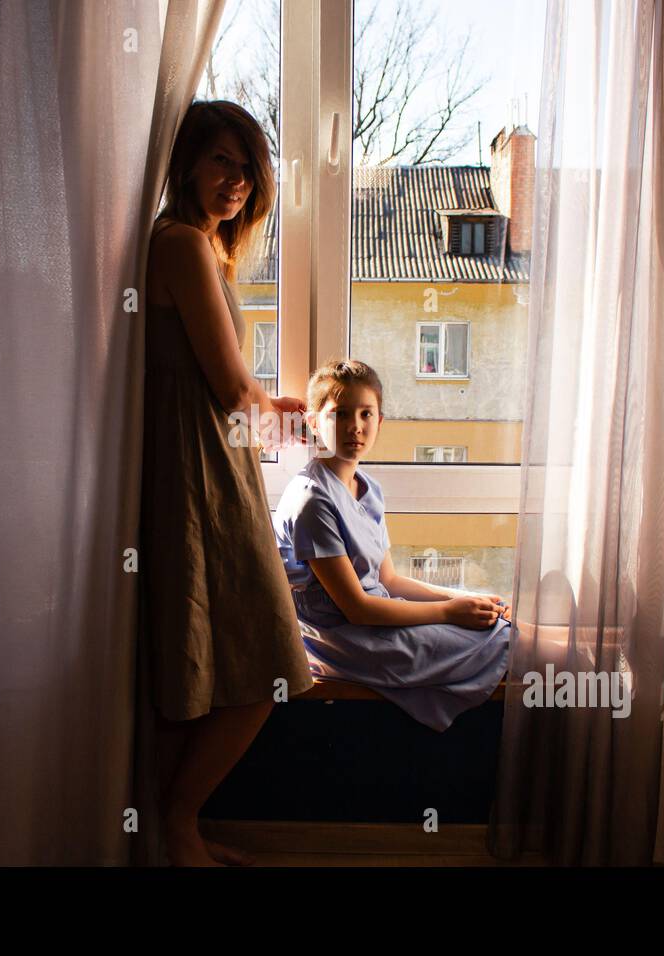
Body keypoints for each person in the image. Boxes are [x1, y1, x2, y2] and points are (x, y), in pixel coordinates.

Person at [140, 101, 314, 867]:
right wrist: (276, 418)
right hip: (202, 471)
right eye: (221, 162)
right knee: (271, 660)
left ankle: (179, 831)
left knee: (212, 656)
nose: (236, 181)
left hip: (215, 460)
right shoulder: (181, 242)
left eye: (247, 170)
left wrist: (268, 408)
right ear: (186, 164)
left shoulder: (205, 248)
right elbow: (226, 388)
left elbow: (226, 383)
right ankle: (178, 825)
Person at [272, 359, 512, 733]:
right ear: (315, 422)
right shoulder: (311, 501)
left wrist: (470, 598)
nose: (355, 426)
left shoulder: (368, 489)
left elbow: (391, 581)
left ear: (379, 421)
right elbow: (356, 608)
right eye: (340, 415)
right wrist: (451, 612)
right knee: (512, 643)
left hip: (379, 617)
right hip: (346, 639)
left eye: (366, 413)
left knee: (511, 628)